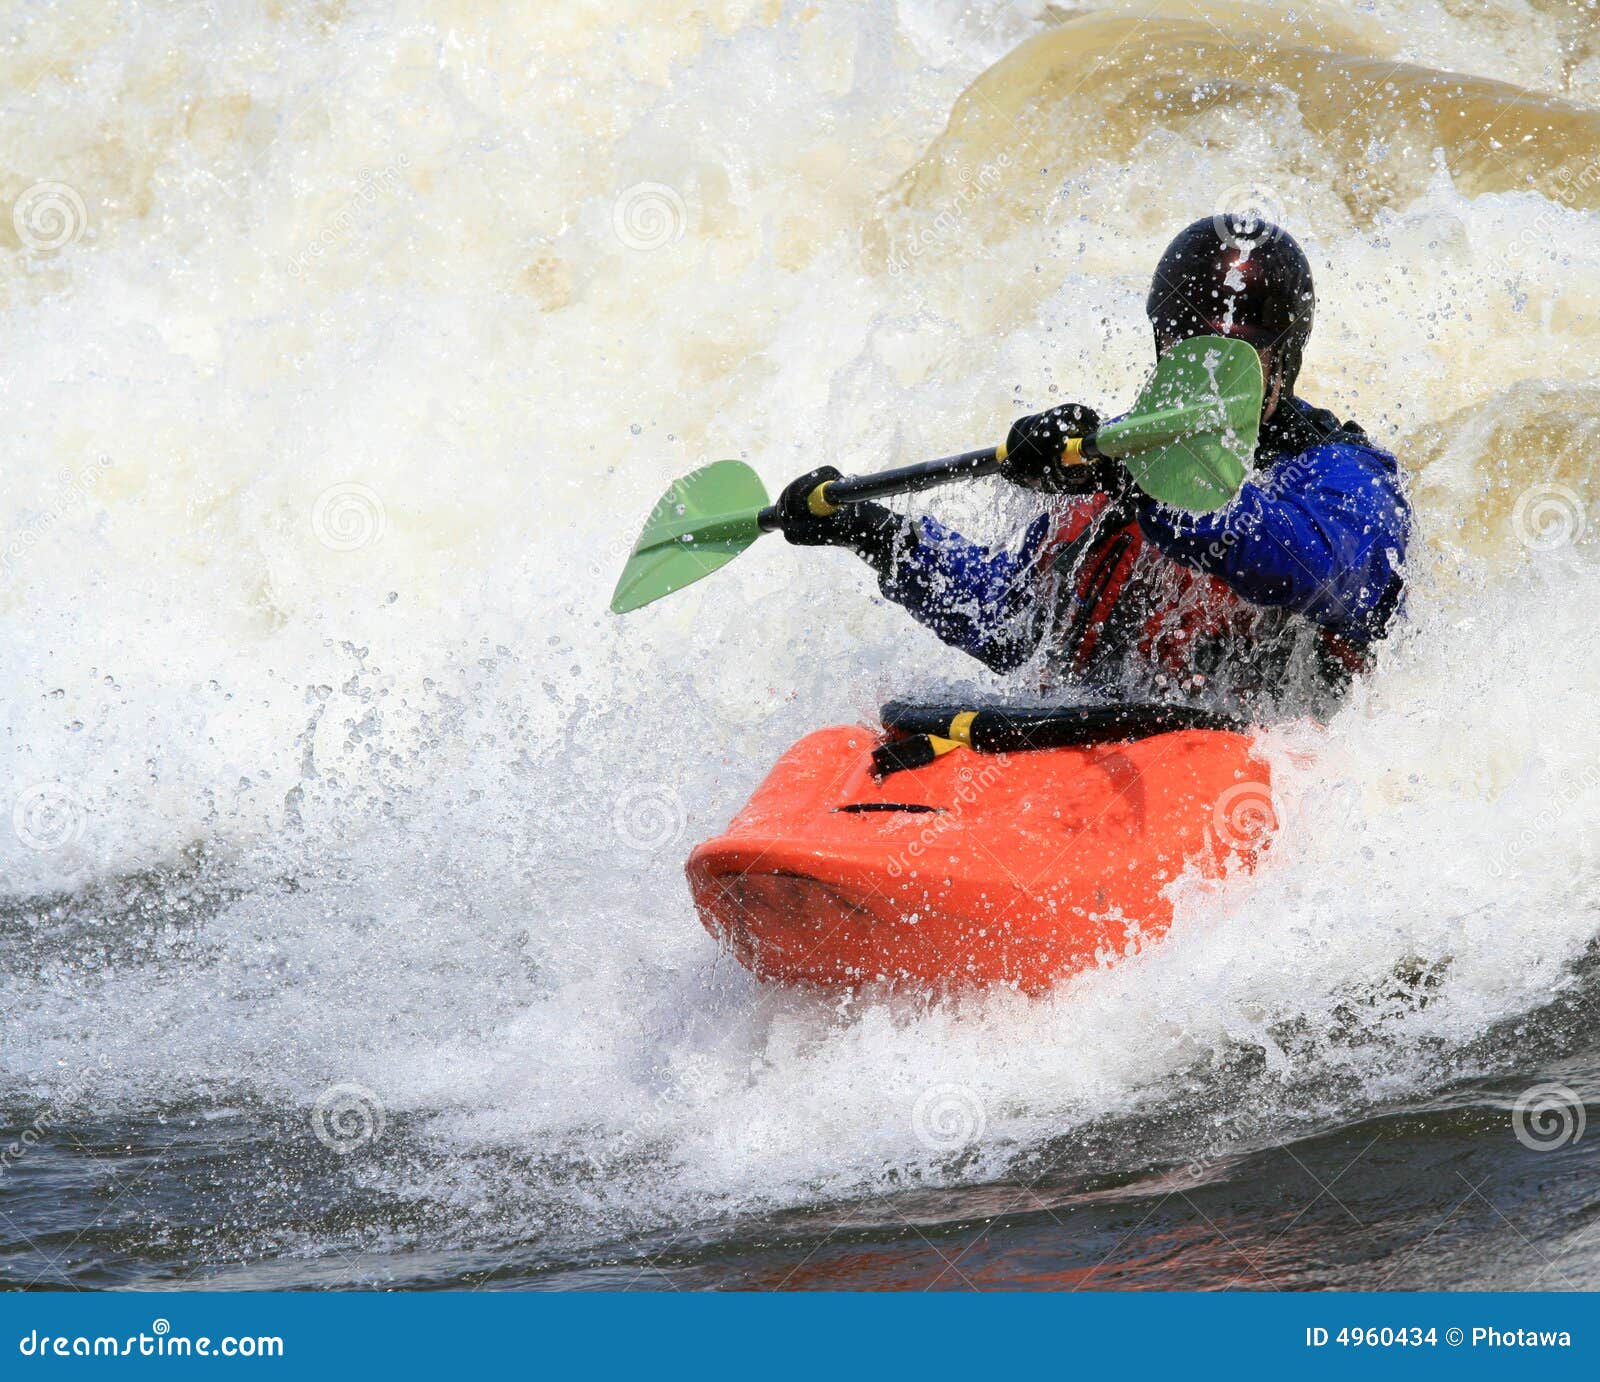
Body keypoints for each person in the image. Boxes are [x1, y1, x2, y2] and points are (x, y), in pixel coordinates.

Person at [773, 215, 1410, 716]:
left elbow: (1312, 566)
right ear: (1164, 343)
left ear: (1285, 359)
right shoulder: (1111, 472)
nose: (1213, 381)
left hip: (1252, 781)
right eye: (1192, 348)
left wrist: (1141, 482)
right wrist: (878, 536)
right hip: (1089, 764)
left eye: (1241, 358)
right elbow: (1015, 624)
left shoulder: (1349, 480)